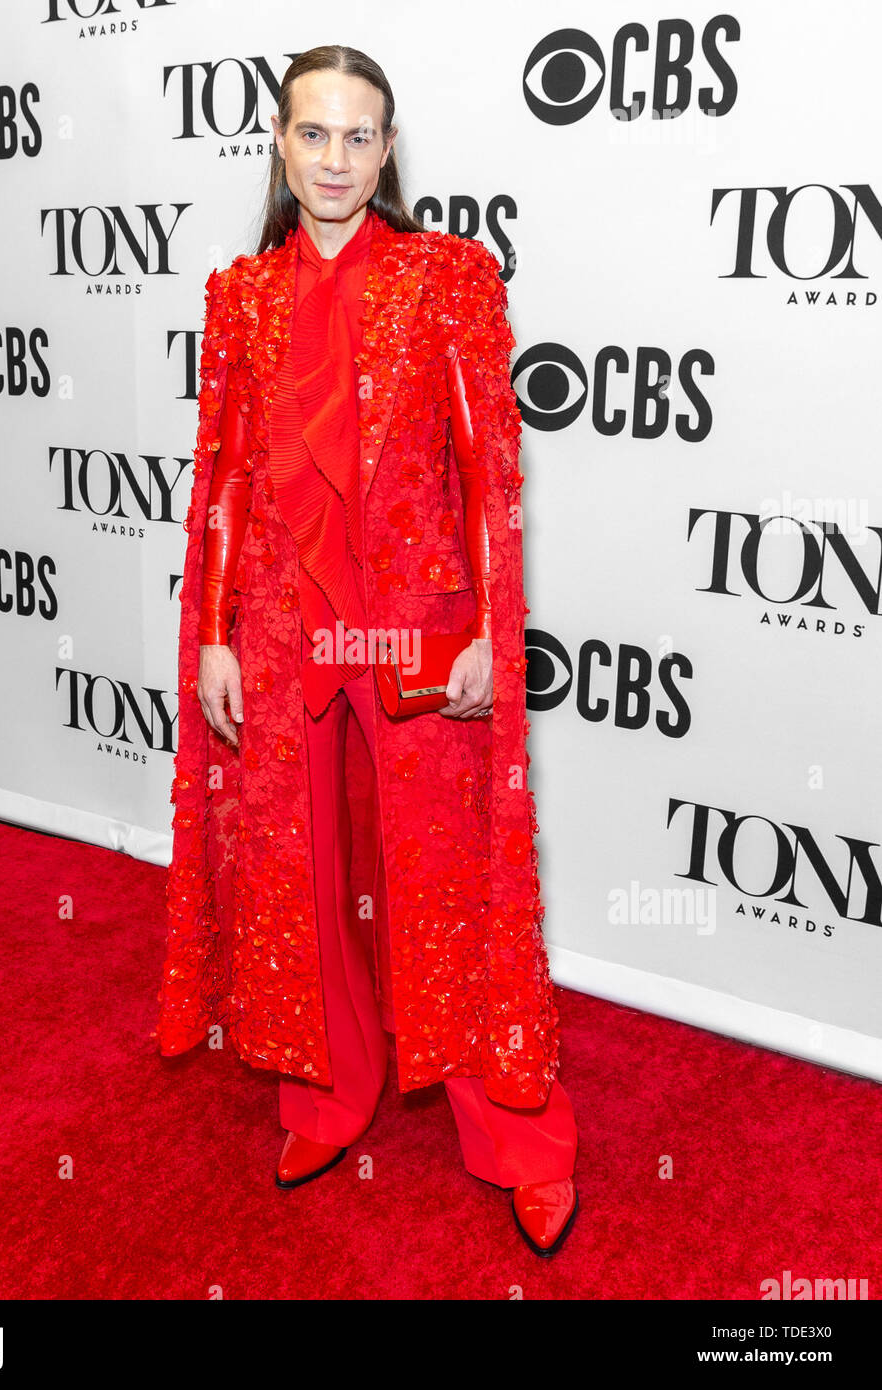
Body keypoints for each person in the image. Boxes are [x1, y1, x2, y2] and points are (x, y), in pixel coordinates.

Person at [155, 44, 579, 1258]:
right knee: (303, 882)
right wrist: (222, 631)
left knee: (443, 894)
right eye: (312, 134)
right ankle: (328, 1098)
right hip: (288, 645)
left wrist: (495, 630)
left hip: (410, 632)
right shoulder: (238, 296)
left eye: (358, 137)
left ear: (386, 152)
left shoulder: (447, 277)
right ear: (279, 147)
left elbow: (488, 470)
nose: (334, 159)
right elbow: (227, 477)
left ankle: (518, 1138)